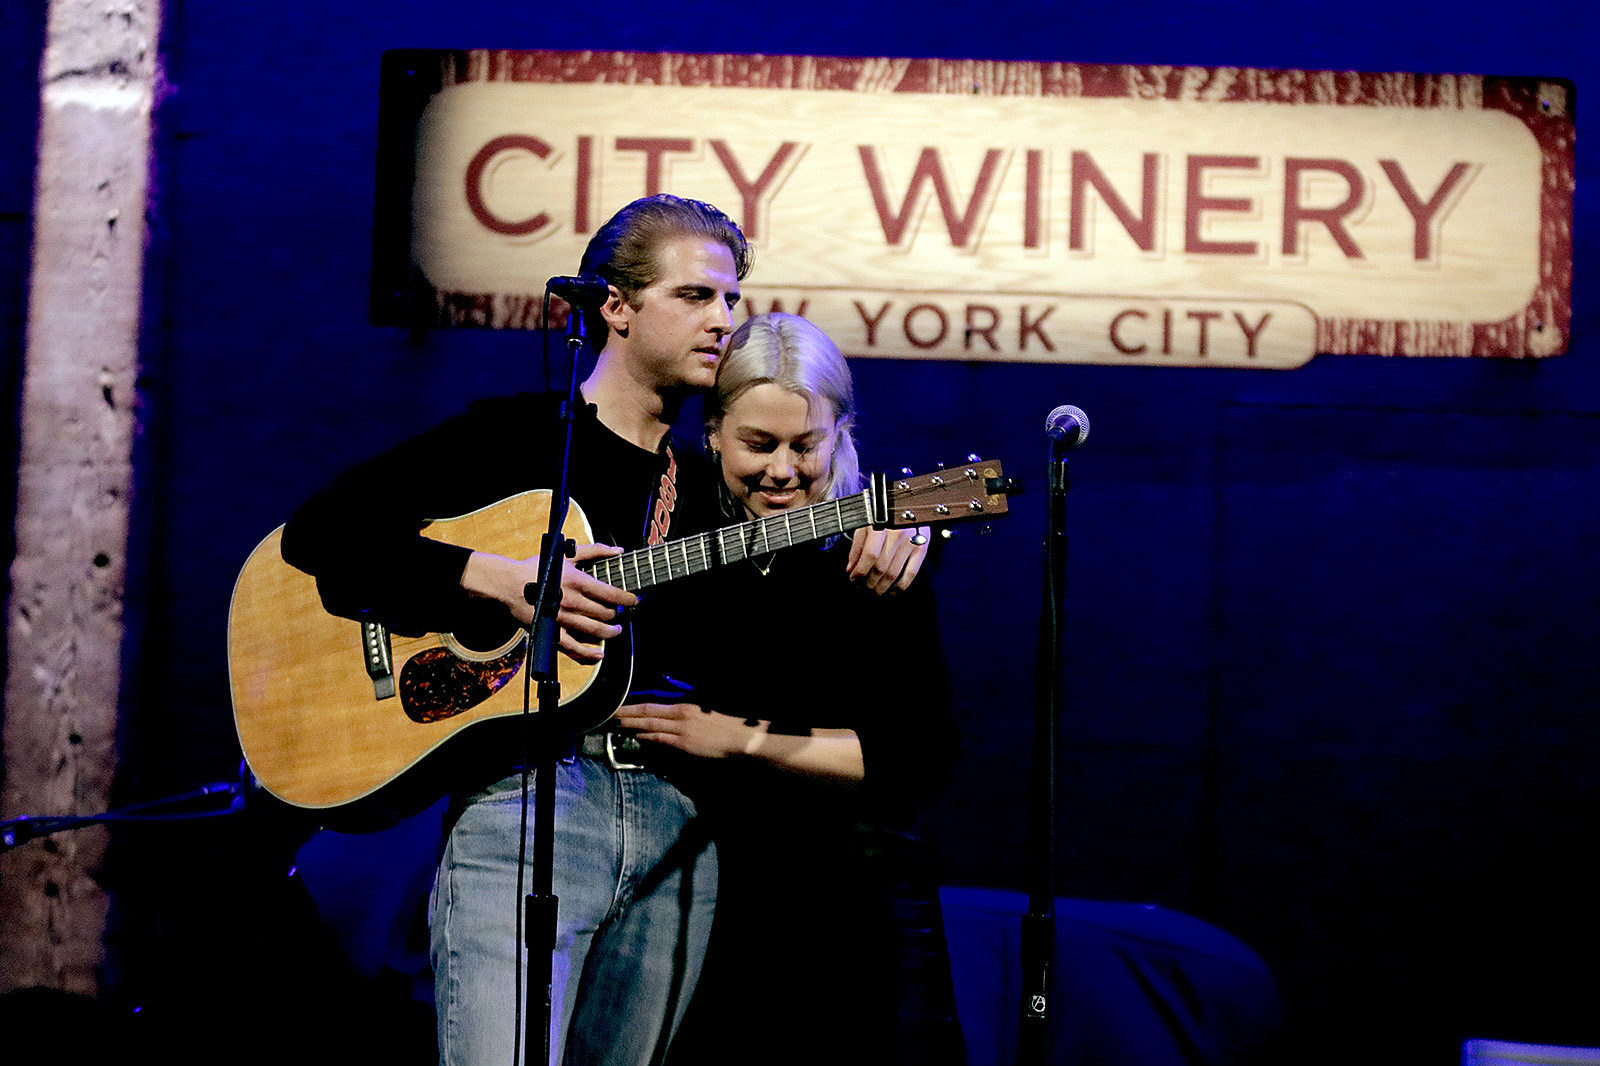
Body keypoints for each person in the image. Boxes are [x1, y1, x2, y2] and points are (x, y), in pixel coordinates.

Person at [277, 196, 927, 1066]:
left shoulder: (707, 487)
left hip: (675, 818)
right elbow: (322, 533)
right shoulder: (515, 439)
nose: (724, 321)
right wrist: (486, 577)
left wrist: (893, 521)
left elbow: (801, 522)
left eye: (732, 300)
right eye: (697, 297)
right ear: (614, 307)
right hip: (526, 798)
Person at [615, 312, 968, 1066]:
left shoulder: (877, 558)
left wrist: (739, 739)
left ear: (840, 435)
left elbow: (919, 760)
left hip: (853, 895)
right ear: (711, 432)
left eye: (806, 445)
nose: (782, 470)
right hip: (708, 886)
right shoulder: (667, 527)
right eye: (758, 444)